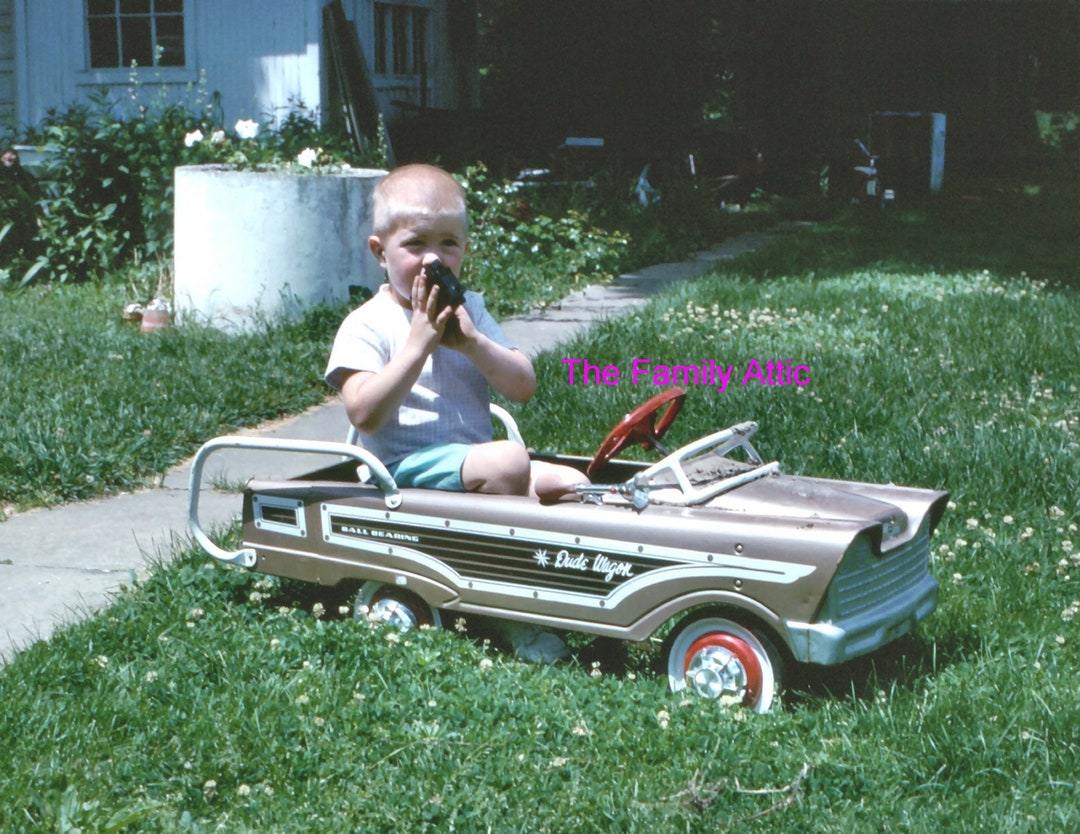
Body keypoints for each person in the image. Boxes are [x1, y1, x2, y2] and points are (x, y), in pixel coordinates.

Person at [325, 163, 588, 661]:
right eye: (415, 244)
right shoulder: (368, 324)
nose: (433, 259)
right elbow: (364, 414)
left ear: (465, 249)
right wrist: (418, 344)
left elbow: (523, 386)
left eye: (448, 243)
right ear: (380, 252)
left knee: (571, 483)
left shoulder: (472, 311)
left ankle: (557, 586)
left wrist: (472, 344)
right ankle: (510, 612)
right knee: (509, 460)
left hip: (470, 465)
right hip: (400, 470)